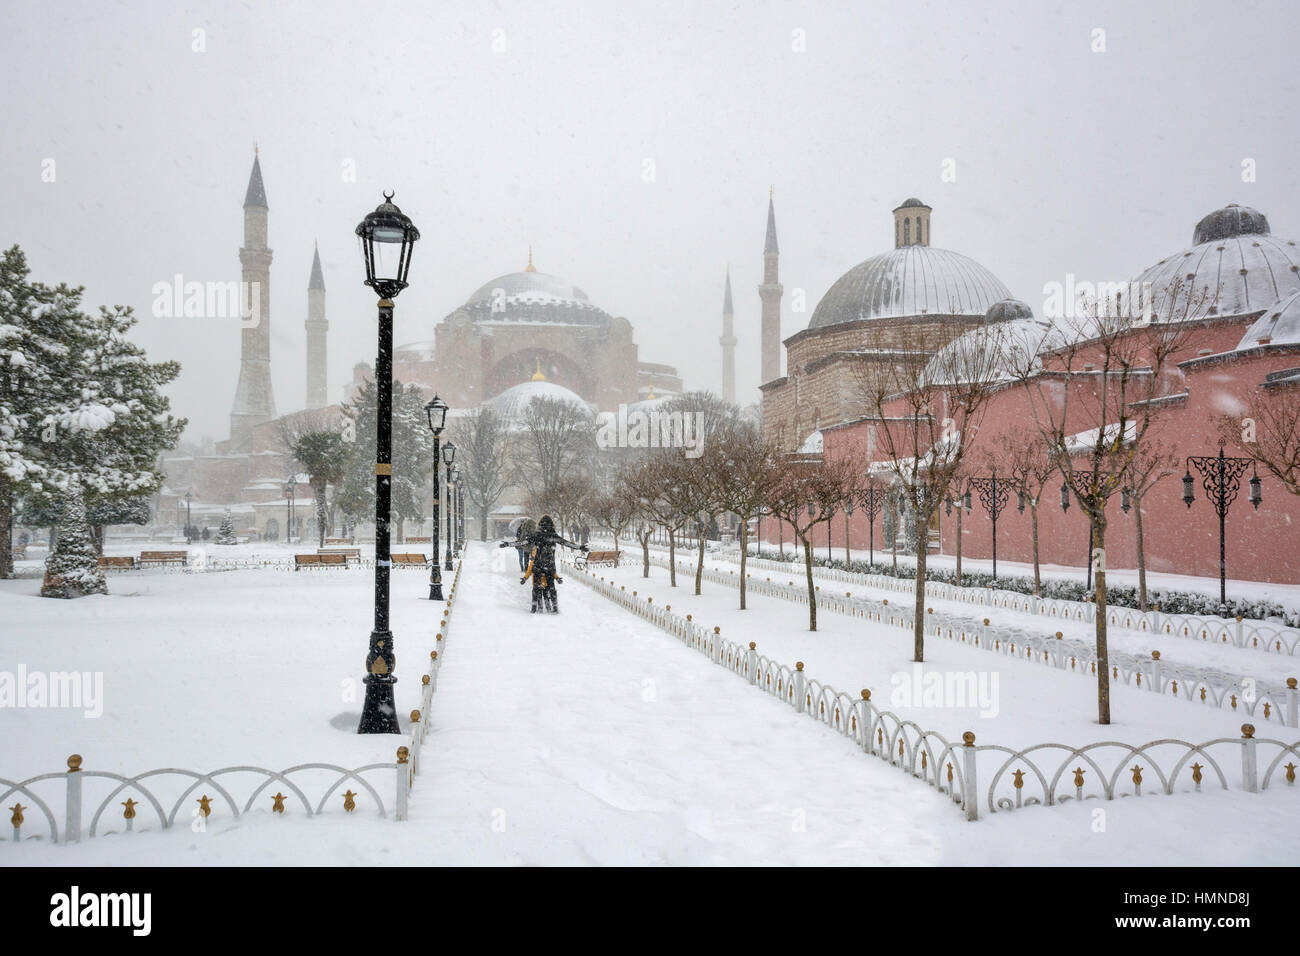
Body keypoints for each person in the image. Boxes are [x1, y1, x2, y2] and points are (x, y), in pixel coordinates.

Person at [504, 514, 586, 613]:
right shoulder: (553, 536)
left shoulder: (536, 535)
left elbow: (523, 542)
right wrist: (580, 547)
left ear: (540, 524)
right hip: (550, 565)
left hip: (537, 565)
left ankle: (534, 608)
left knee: (536, 587)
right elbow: (567, 543)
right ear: (551, 524)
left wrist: (509, 544)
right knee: (551, 587)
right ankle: (554, 607)